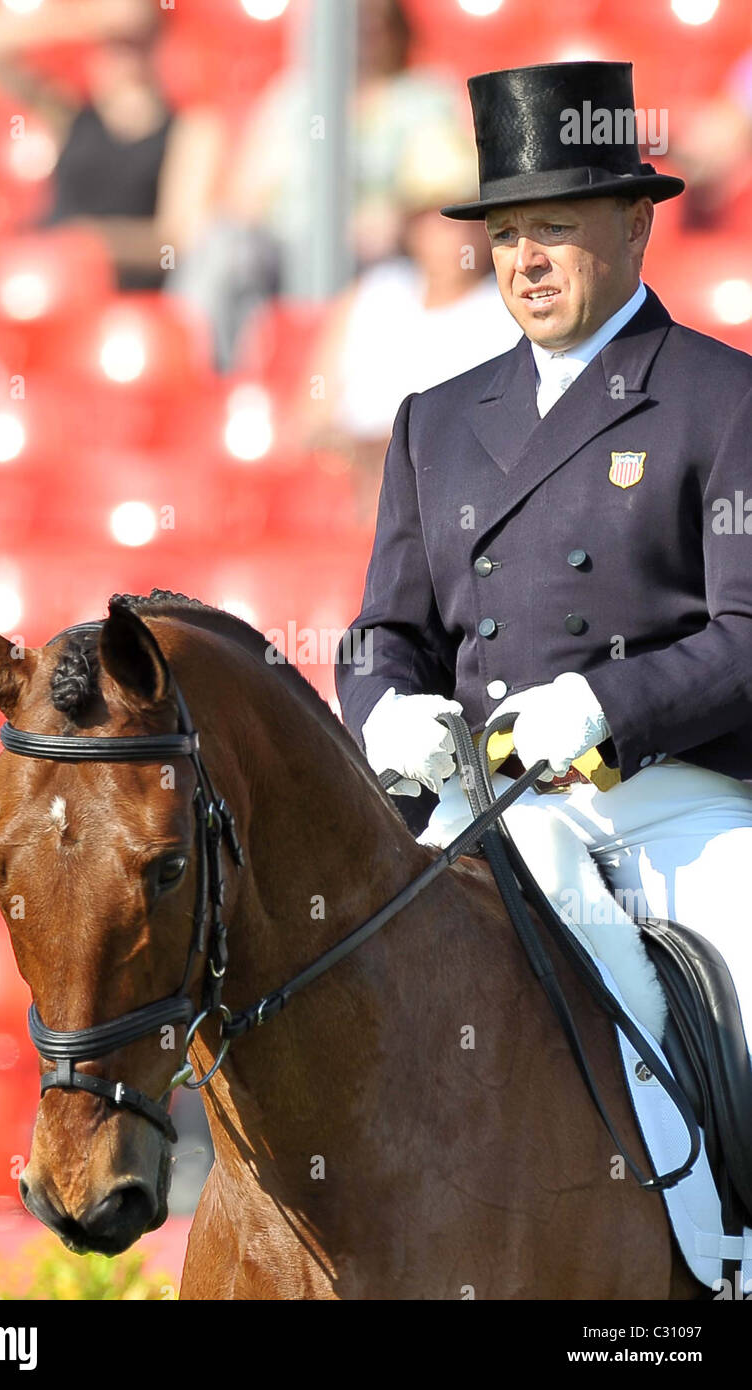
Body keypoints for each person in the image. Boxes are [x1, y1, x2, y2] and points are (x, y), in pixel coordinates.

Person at [334, 60, 752, 1045]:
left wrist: (605, 707)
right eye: (506, 233)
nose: (524, 258)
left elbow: (745, 636)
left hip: (671, 816)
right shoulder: (430, 423)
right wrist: (382, 709)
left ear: (634, 225)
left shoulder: (722, 398)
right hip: (481, 818)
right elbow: (383, 629)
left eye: (554, 227)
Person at [168, 0, 464, 368]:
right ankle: (206, 375)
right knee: (224, 247)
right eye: (354, 25)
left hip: (377, 255)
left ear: (395, 27)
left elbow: (443, 189)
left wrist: (396, 219)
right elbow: (245, 196)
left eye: (373, 24)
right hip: (284, 250)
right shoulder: (294, 98)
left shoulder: (423, 97)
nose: (363, 37)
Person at [285, 126, 520, 523]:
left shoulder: (509, 311)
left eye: (460, 215)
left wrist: (392, 453)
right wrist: (354, 454)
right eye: (431, 215)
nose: (447, 231)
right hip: (348, 497)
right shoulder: (369, 296)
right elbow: (306, 422)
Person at [0, 0, 223, 290]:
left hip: (126, 296)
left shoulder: (191, 129)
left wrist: (92, 244)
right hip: (53, 284)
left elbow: (177, 242)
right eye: (113, 43)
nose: (125, 55)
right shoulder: (69, 115)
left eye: (136, 42)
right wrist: (86, 21)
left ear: (158, 41)